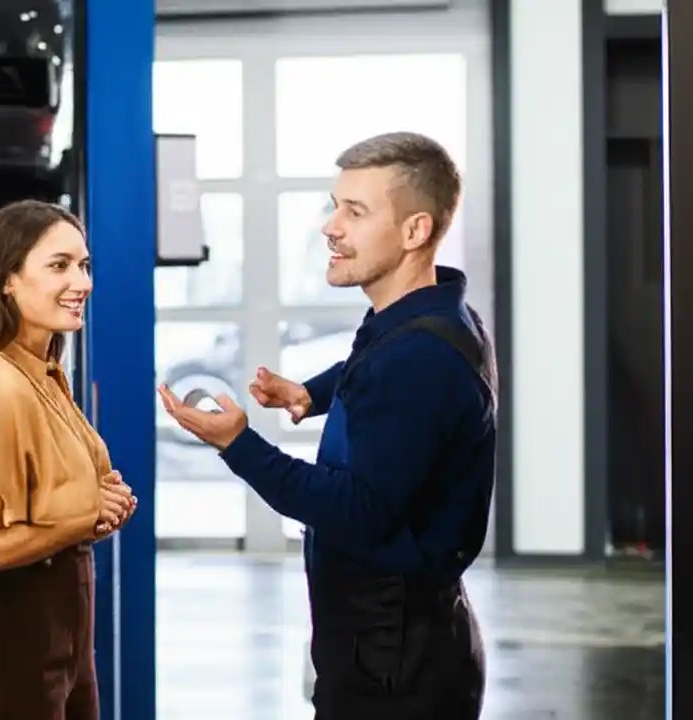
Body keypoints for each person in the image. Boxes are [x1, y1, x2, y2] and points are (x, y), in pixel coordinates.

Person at [159, 131, 496, 720]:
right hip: (394, 638)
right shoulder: (429, 317)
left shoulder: (418, 358)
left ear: (416, 230)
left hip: (396, 668)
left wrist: (237, 445)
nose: (330, 226)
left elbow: (357, 510)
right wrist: (308, 395)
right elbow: (371, 370)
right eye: (335, 204)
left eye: (355, 211)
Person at [0, 199, 137, 720]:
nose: (82, 282)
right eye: (59, 265)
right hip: (16, 655)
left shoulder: (44, 373)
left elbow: (61, 509)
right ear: (7, 280)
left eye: (84, 265)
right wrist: (85, 514)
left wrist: (99, 509)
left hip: (64, 648)